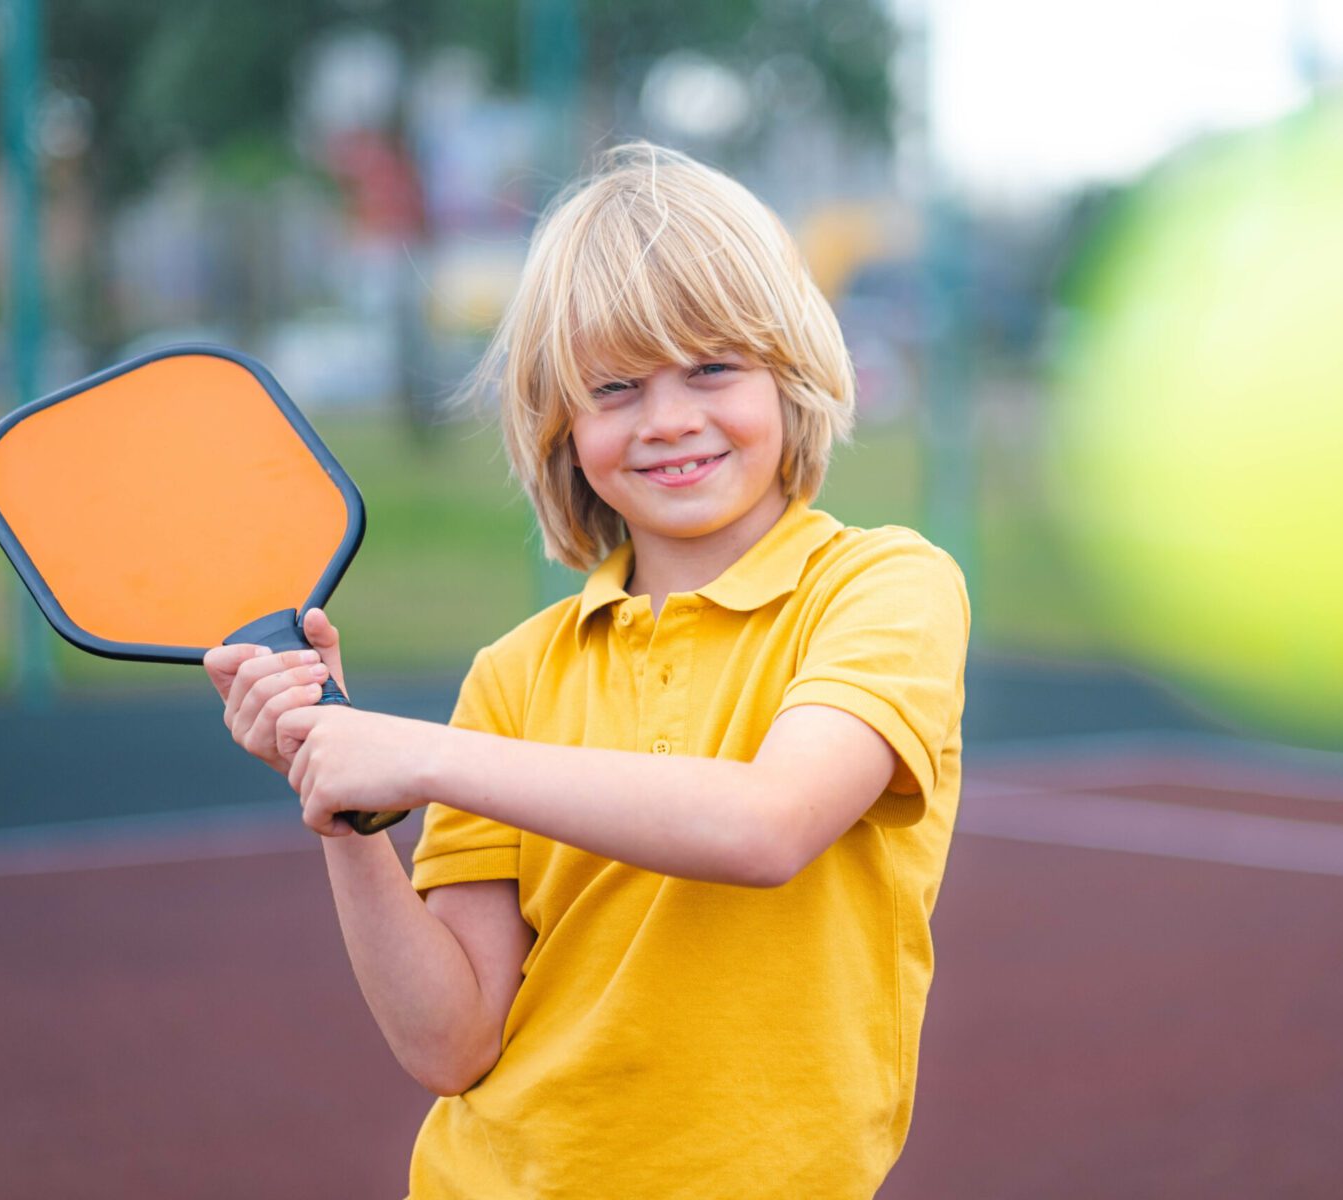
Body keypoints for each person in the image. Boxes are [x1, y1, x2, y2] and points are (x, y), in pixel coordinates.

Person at [203, 143, 969, 1199]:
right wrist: (342, 797)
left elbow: (768, 826)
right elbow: (450, 1045)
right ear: (563, 429)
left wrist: (421, 757)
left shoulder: (882, 587)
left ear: (788, 375)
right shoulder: (513, 677)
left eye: (712, 368)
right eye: (615, 388)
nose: (669, 419)